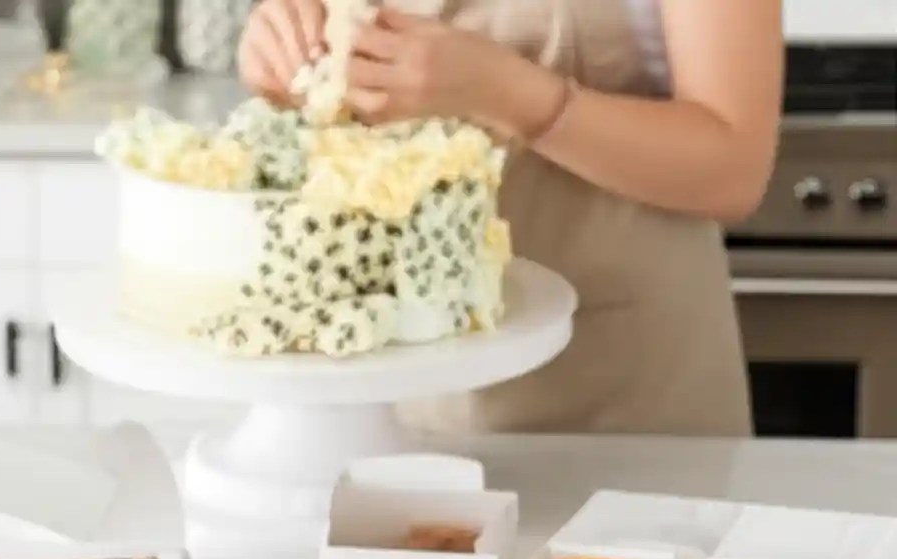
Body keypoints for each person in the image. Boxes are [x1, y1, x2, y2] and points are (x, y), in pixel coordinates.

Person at [237, 0, 784, 436]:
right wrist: (285, 48)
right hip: (386, 404)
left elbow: (733, 168)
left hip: (620, 406)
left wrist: (508, 94)